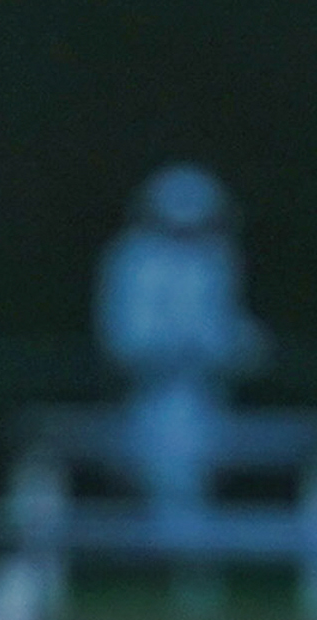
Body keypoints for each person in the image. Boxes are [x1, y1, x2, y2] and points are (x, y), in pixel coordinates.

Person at [95, 162, 269, 521]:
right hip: (149, 397)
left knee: (201, 479)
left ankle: (194, 564)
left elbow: (225, 332)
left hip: (208, 395)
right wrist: (183, 351)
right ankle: (164, 560)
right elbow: (127, 339)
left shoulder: (216, 258)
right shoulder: (134, 259)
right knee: (166, 478)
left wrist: (242, 345)